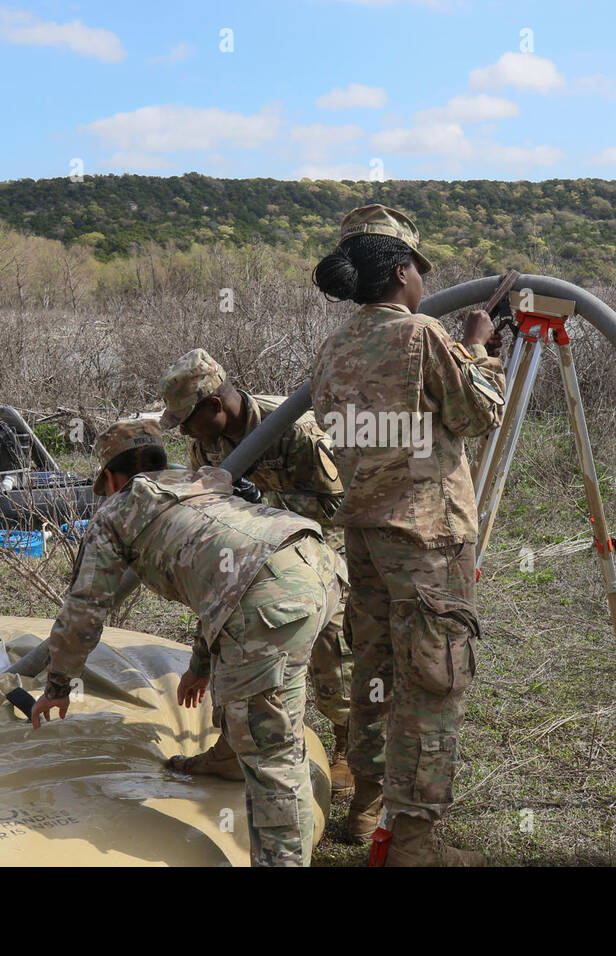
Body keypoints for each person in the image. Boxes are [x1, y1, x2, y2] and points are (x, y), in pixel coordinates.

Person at [30, 418, 346, 867]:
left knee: (272, 749)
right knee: (252, 691)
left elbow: (84, 610)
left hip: (267, 595)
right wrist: (199, 665)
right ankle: (233, 757)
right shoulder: (206, 480)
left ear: (113, 478)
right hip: (316, 559)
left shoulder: (117, 514)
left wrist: (58, 684)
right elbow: (220, 585)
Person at [310, 203, 506, 866]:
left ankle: (365, 812)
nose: (424, 282)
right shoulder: (421, 334)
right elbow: (477, 412)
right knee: (432, 684)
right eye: (419, 271)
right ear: (401, 271)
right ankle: (416, 842)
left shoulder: (333, 348)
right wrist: (479, 346)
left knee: (376, 675)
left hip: (365, 538)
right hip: (426, 540)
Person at [156, 348, 355, 796]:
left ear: (216, 406)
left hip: (322, 547)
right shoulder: (205, 442)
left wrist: (265, 508)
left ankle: (348, 744)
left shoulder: (297, 433)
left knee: (332, 651)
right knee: (236, 639)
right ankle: (230, 745)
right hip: (253, 551)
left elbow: (343, 508)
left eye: (187, 419)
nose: (183, 431)